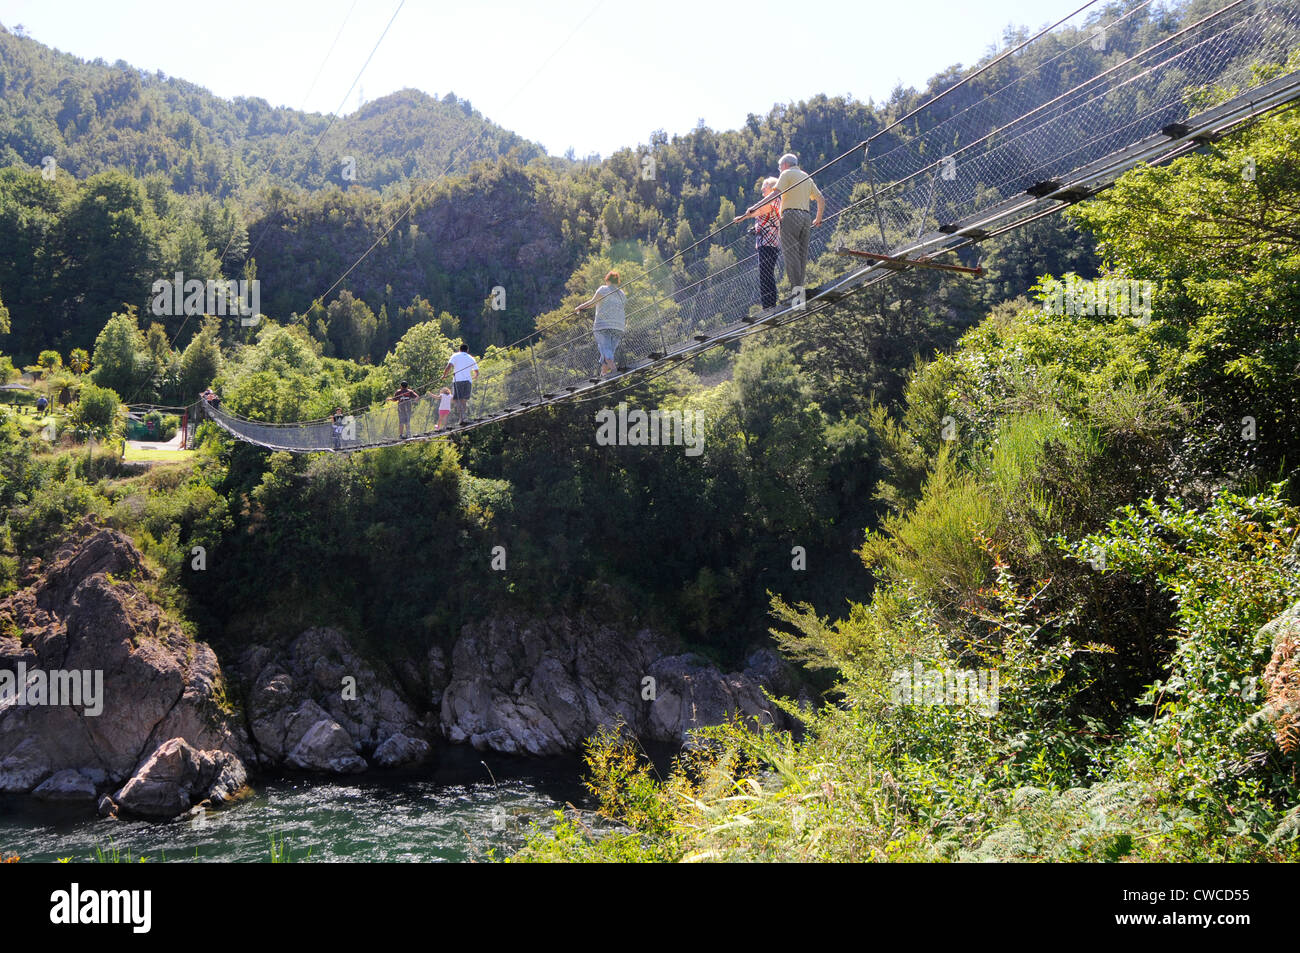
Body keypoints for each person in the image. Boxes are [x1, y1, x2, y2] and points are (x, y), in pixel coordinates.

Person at [772, 153, 825, 297]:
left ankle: (797, 293)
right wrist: (818, 218)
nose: (779, 170)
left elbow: (775, 194)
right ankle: (799, 290)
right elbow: (821, 199)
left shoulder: (786, 174)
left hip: (790, 215)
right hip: (806, 217)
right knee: (802, 254)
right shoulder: (806, 176)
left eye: (779, 167)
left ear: (784, 165)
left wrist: (753, 209)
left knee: (791, 254)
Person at [733, 176, 782, 309]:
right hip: (769, 242)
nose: (762, 190)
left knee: (765, 273)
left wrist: (742, 218)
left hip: (767, 243)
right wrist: (756, 229)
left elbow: (758, 211)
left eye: (764, 187)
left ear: (771, 187)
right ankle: (769, 304)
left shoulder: (772, 201)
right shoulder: (776, 202)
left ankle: (769, 305)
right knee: (766, 272)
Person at [576, 269, 626, 377]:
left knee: (605, 349)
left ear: (607, 280)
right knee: (609, 352)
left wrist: (579, 308)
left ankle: (614, 371)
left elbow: (592, 303)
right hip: (619, 326)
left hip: (602, 325)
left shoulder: (603, 289)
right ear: (617, 281)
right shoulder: (622, 294)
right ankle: (603, 373)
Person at [442, 345, 479, 425]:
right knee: (464, 400)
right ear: (467, 350)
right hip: (468, 381)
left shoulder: (455, 356)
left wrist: (444, 375)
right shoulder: (471, 358)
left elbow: (449, 366)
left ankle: (462, 416)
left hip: (458, 381)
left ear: (460, 349)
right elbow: (476, 371)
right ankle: (462, 417)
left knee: (456, 399)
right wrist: (474, 377)